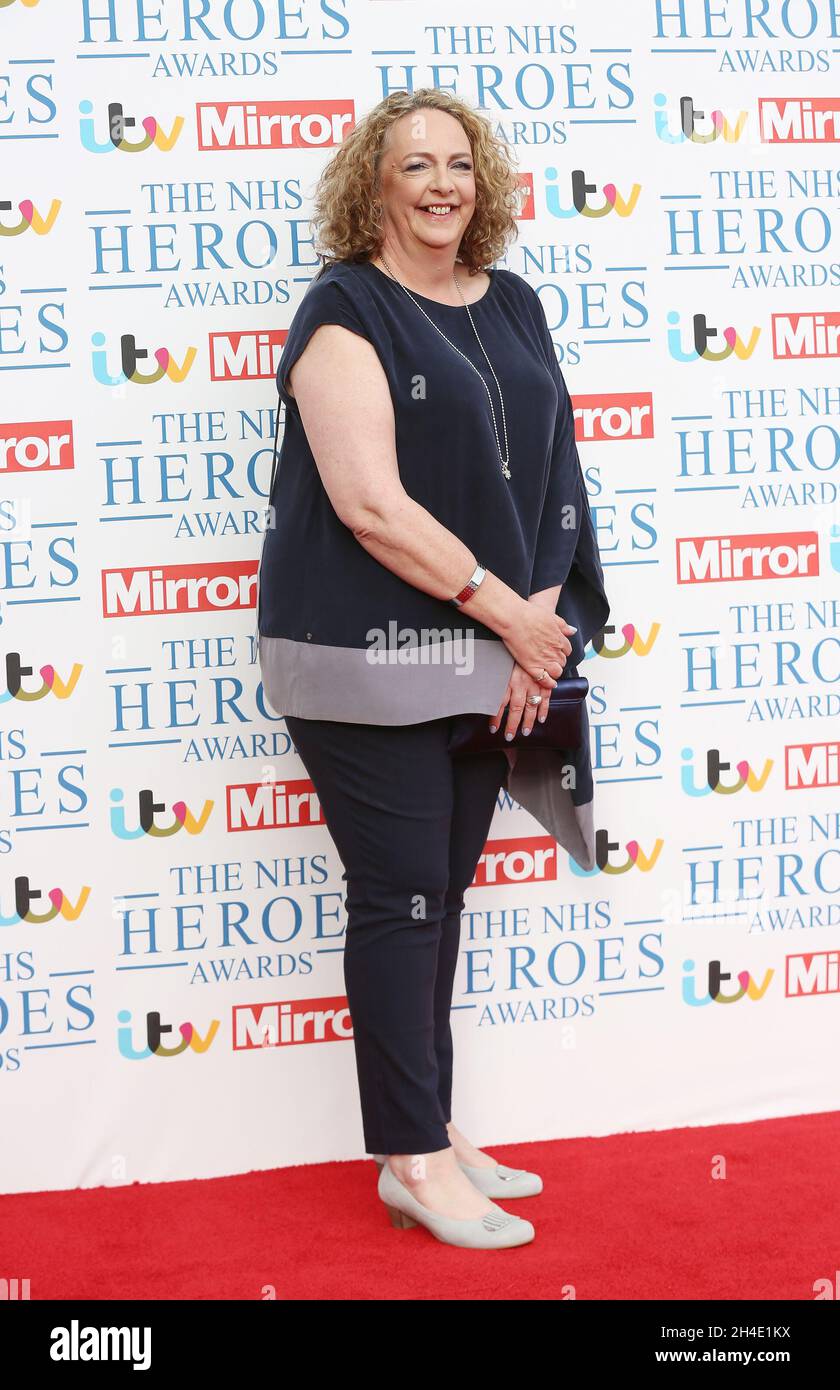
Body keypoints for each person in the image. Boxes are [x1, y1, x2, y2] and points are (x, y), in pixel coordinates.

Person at [256, 88, 611, 1250]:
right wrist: (509, 617)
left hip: (488, 644)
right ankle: (407, 1157)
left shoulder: (512, 301)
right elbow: (370, 506)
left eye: (460, 162)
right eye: (415, 165)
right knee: (403, 901)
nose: (443, 183)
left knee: (438, 899)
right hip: (365, 656)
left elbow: (557, 470)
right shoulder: (344, 311)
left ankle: (434, 1123)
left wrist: (535, 627)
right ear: (375, 184)